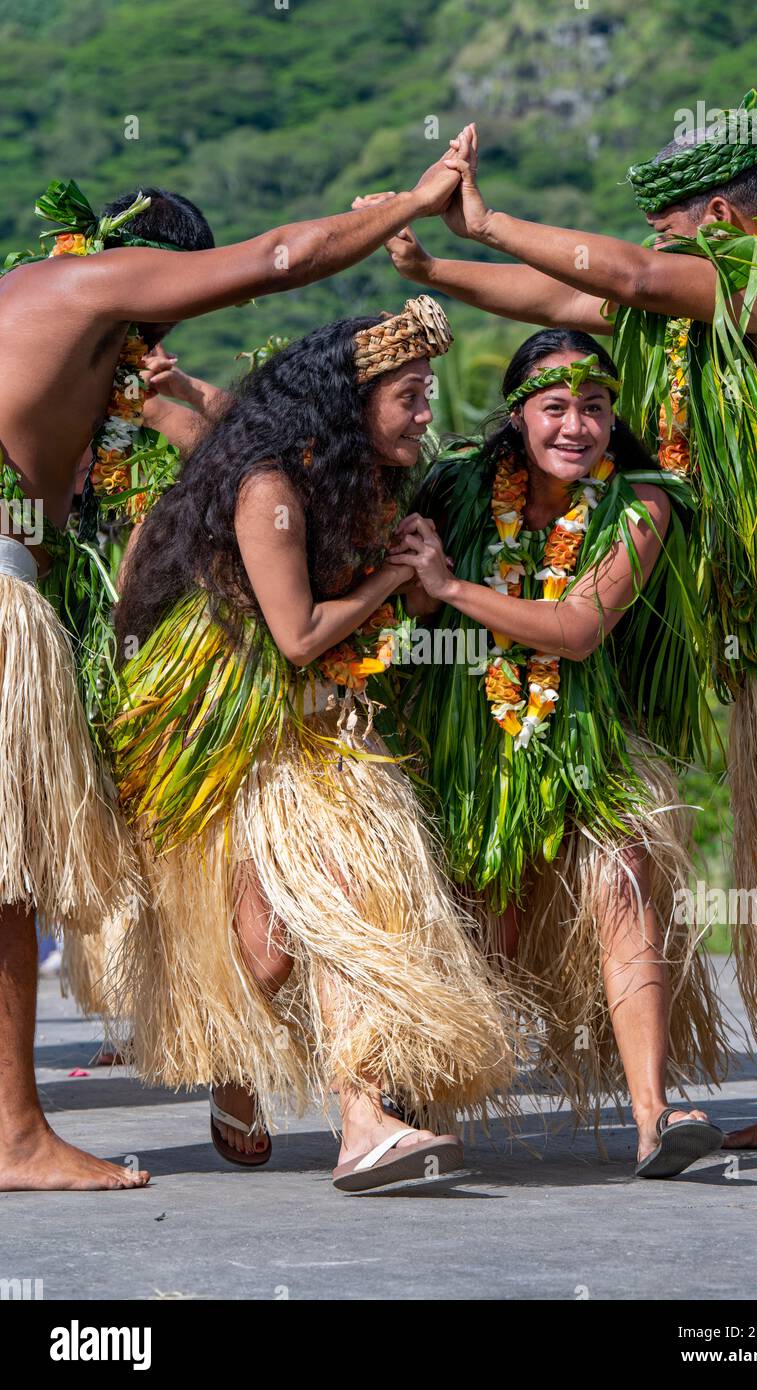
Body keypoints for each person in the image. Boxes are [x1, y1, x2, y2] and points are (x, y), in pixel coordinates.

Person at [382, 86, 757, 1158]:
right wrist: (434, 271)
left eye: (671, 225)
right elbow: (575, 304)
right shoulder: (711, 309)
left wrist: (487, 217)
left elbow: (632, 277)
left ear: (729, 221)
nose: (654, 246)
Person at [0, 132, 479, 1192]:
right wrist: (412, 201)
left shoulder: (25, 309)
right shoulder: (92, 284)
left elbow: (222, 433)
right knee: (8, 881)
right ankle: (18, 1134)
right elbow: (284, 256)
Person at [102, 296, 515, 1193]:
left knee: (339, 903)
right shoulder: (267, 488)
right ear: (348, 402)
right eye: (408, 395)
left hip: (324, 727)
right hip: (232, 727)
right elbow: (297, 635)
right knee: (268, 950)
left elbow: (390, 617)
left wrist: (420, 574)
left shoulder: (365, 478)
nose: (425, 414)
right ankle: (242, 1070)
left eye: (427, 394)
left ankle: (363, 1123)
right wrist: (392, 581)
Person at [384, 330, 726, 1177]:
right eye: (556, 407)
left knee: (627, 878)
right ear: (517, 416)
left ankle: (654, 1117)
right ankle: (427, 1107)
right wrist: (425, 595)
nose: (579, 426)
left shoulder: (643, 504)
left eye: (597, 407)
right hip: (468, 741)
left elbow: (577, 631)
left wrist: (455, 587)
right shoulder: (458, 486)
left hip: (586, 741)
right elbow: (410, 621)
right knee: (480, 917)